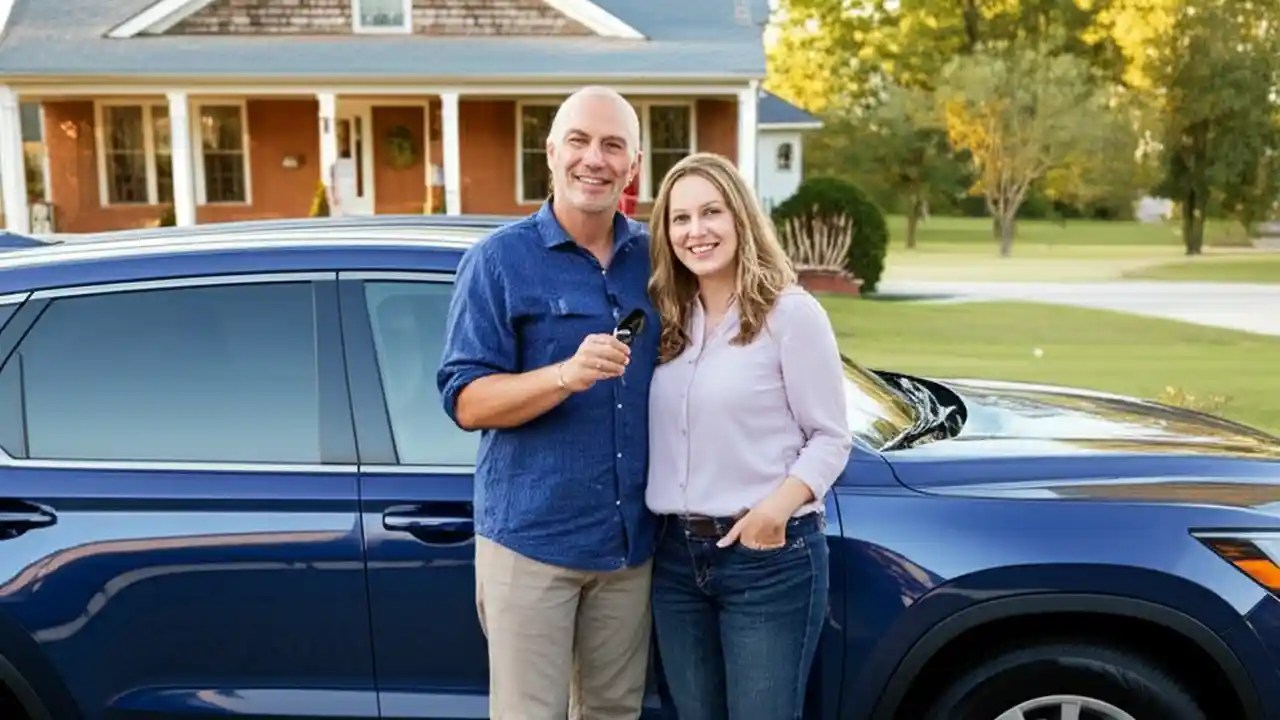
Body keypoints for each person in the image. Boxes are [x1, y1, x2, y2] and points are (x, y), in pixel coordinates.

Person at [436, 86, 660, 719]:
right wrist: (564, 374)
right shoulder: (498, 262)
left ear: (633, 164)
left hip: (629, 547)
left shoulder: (654, 258)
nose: (595, 159)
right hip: (533, 545)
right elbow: (467, 401)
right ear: (551, 153)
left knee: (614, 713)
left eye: (613, 145)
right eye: (580, 142)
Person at [645, 152, 853, 720]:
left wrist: (772, 513)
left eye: (710, 212)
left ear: (740, 216)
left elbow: (831, 437)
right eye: (680, 218)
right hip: (674, 563)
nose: (696, 231)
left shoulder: (791, 314)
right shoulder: (665, 320)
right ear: (665, 232)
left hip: (767, 563)